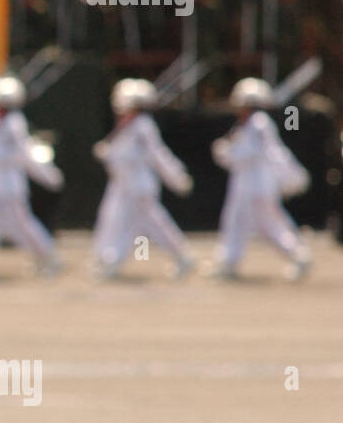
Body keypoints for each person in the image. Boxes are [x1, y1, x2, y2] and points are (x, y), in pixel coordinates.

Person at [91, 78, 194, 280]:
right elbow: (117, 157)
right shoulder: (127, 127)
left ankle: (112, 262)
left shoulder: (143, 127)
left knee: (135, 225)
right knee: (121, 220)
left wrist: (176, 177)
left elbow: (158, 155)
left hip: (138, 186)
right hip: (123, 185)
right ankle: (106, 258)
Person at [0, 73, 64, 277]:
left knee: (23, 225)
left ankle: (48, 257)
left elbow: (24, 153)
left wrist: (48, 176)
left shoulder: (15, 122)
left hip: (9, 182)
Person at [212, 77, 311, 281]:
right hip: (248, 185)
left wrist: (225, 153)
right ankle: (228, 262)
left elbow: (254, 152)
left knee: (268, 225)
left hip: (256, 186)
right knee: (238, 222)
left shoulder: (258, 124)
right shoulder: (249, 125)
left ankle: (299, 256)